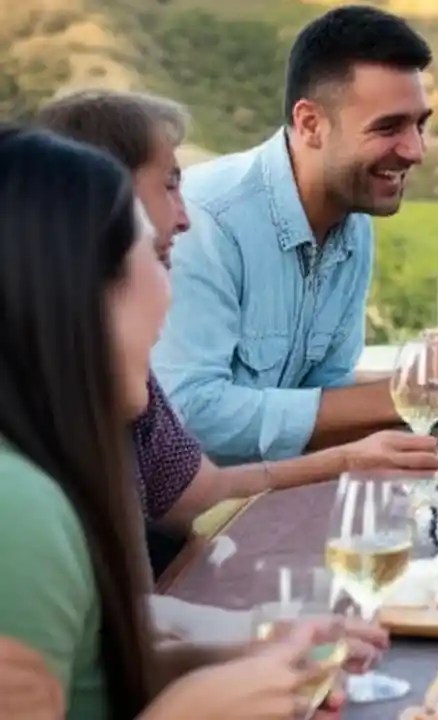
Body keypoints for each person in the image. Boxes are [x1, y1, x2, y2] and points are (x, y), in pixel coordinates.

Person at [0, 126, 355, 719]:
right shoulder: (17, 506)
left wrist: (242, 650)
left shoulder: (42, 465)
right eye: (155, 258)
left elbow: (93, 673)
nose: (168, 296)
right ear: (78, 290)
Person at [37, 88, 438, 579]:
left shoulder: (126, 379)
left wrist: (349, 458)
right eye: (170, 186)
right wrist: (400, 397)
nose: (185, 216)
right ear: (102, 200)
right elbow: (198, 410)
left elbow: (196, 492)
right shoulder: (38, 419)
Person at [151, 5, 438, 466]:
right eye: (388, 127)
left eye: (420, 124)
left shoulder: (353, 226)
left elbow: (326, 394)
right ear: (310, 124)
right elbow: (188, 414)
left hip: (269, 493)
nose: (416, 151)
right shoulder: (205, 220)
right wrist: (403, 392)